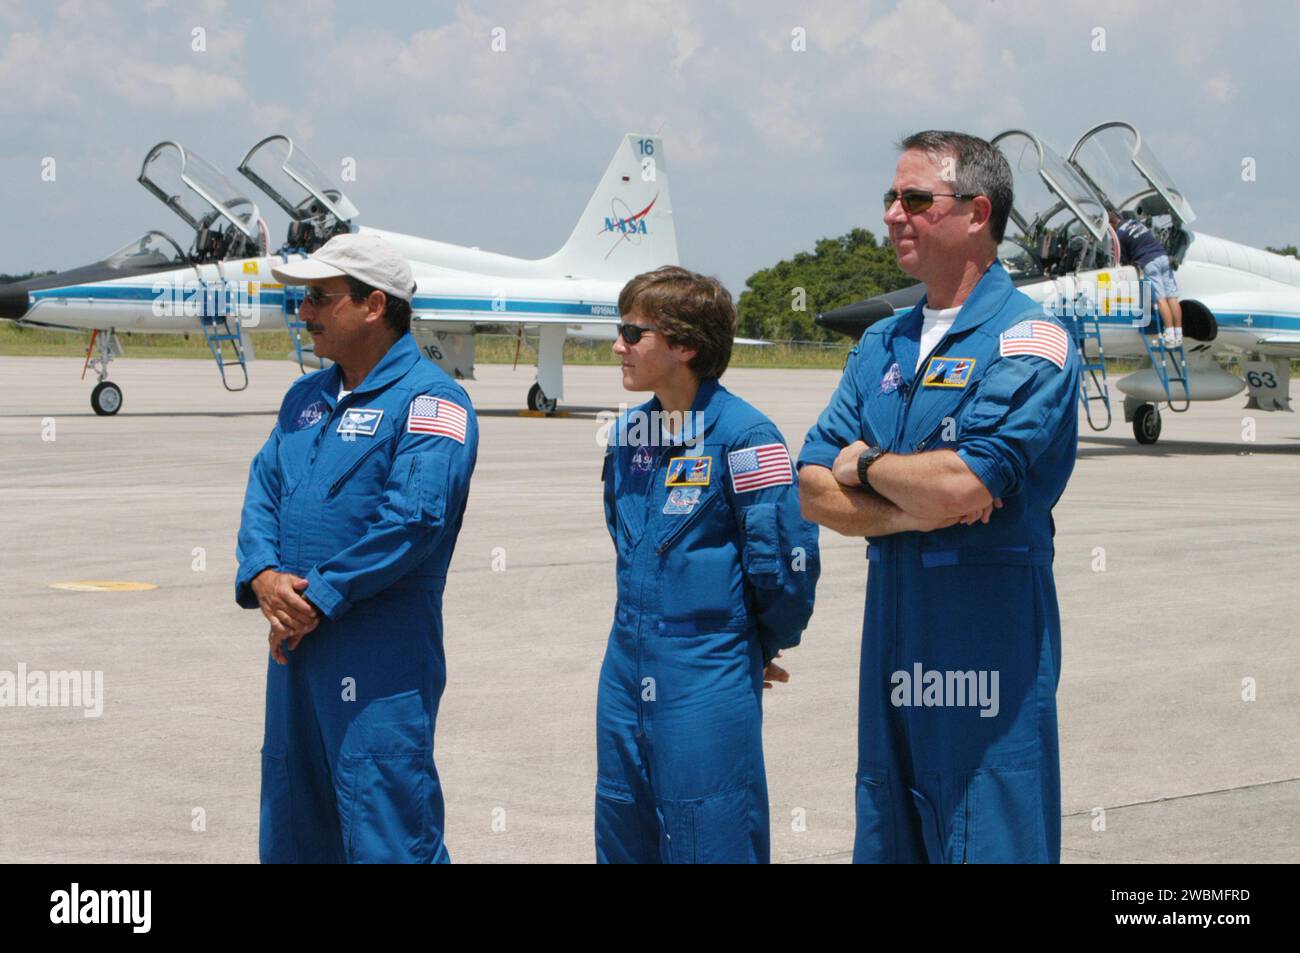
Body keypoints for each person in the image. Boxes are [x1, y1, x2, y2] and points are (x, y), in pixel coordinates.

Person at [798, 131, 1080, 863]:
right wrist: (921, 496)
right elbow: (809, 484)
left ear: (977, 212)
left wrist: (865, 465)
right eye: (891, 197)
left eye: (916, 198)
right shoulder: (881, 343)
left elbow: (965, 481)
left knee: (986, 832)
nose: (894, 213)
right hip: (892, 642)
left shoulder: (1030, 338)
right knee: (891, 836)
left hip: (983, 647)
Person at [235, 232, 478, 863]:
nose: (304, 311)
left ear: (373, 305)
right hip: (295, 644)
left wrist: (321, 597)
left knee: (385, 826)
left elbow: (414, 522)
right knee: (294, 817)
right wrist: (261, 573)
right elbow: (265, 488)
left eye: (319, 297)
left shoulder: (433, 401)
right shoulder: (303, 400)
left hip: (380, 651)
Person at [596, 266, 820, 863]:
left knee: (711, 830)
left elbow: (785, 565)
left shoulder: (748, 440)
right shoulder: (629, 434)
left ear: (685, 346)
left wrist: (756, 644)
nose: (618, 345)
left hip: (705, 670)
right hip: (626, 664)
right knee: (624, 820)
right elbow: (626, 542)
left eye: (633, 332)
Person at [1109, 209, 1183, 347]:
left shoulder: (1119, 234)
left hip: (1150, 263)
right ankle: (1179, 334)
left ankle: (1170, 335)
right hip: (1163, 257)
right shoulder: (1135, 222)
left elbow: (1124, 259)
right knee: (1172, 297)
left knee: (1161, 300)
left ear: (1112, 224)